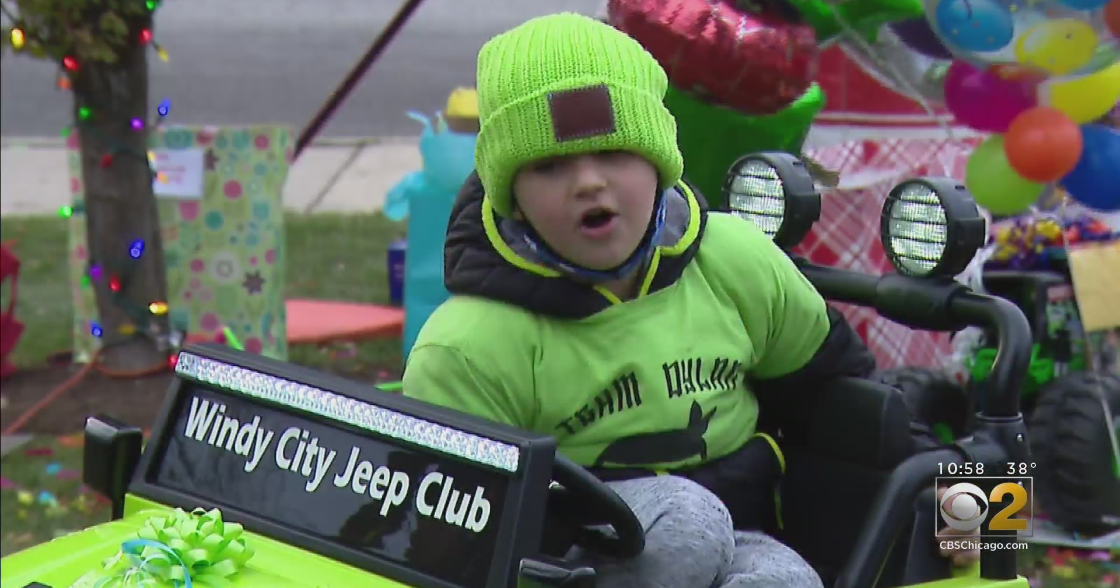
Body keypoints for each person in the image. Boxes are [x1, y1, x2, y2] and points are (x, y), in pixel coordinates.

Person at [401, 12, 958, 587]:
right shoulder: (470, 343)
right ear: (512, 196)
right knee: (684, 525)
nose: (589, 183)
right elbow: (450, 533)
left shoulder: (735, 262)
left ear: (660, 163)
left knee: (783, 581)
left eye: (614, 154)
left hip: (745, 534)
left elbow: (849, 396)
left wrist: (967, 511)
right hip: (556, 556)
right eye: (550, 166)